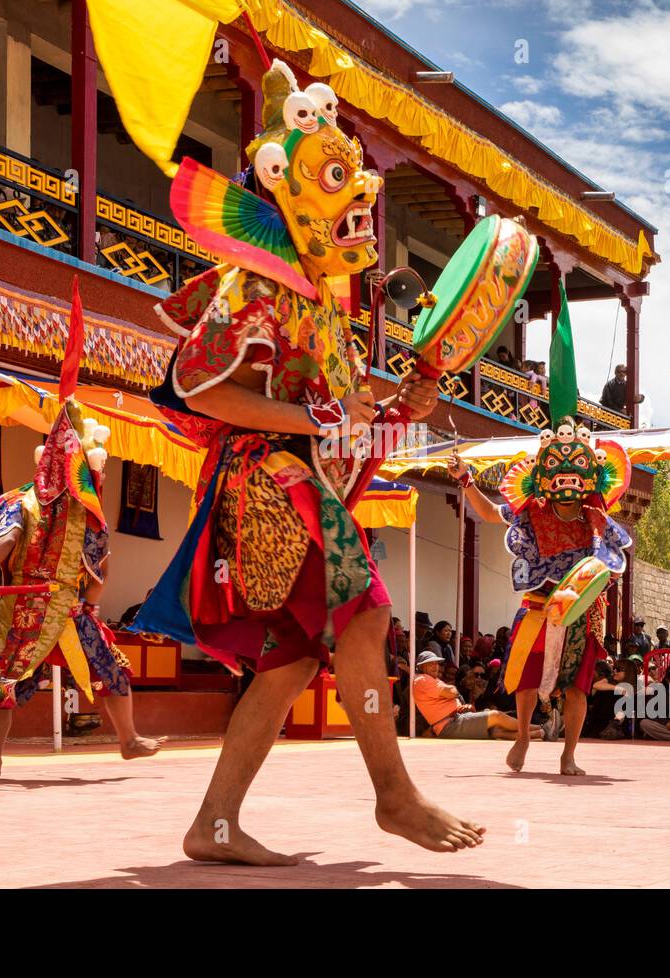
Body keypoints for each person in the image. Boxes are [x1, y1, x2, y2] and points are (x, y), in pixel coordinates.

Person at [131, 60, 483, 863]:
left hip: (304, 477)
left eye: (357, 184)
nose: (359, 200)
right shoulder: (253, 282)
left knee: (290, 662)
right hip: (266, 481)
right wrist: (312, 415)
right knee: (366, 611)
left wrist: (402, 408)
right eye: (337, 181)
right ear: (288, 194)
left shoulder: (330, 307)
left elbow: (344, 421)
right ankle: (394, 796)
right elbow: (198, 386)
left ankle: (212, 824)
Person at [0, 392, 165, 780]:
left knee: (11, 684)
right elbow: (98, 571)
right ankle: (127, 740)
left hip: (42, 612)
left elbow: (10, 544)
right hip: (53, 610)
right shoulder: (58, 509)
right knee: (99, 672)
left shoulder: (30, 504)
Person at [449, 420, 633, 776]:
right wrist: (466, 479)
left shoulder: (596, 518)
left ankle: (569, 755)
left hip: (580, 611)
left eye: (576, 469)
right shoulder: (532, 511)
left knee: (577, 688)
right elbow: (488, 513)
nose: (567, 477)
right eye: (558, 470)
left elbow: (612, 560)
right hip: (537, 604)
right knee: (527, 679)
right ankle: (522, 737)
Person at [413, 651, 543, 741]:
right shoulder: (423, 679)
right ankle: (541, 727)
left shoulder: (430, 679)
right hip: (449, 724)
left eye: (437, 663)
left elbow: (447, 696)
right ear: (421, 667)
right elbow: (451, 692)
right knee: (495, 715)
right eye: (431, 663)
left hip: (452, 721)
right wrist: (452, 689)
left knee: (496, 730)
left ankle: (540, 733)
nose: (435, 666)